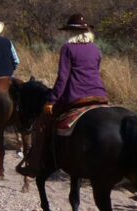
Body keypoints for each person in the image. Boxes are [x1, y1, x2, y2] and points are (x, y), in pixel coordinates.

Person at [16, 14, 109, 177]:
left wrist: (52, 100)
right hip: (100, 95)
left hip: (75, 96)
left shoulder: (67, 48)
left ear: (70, 32)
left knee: (42, 123)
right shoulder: (96, 49)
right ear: (87, 31)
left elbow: (63, 78)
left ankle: (35, 164)